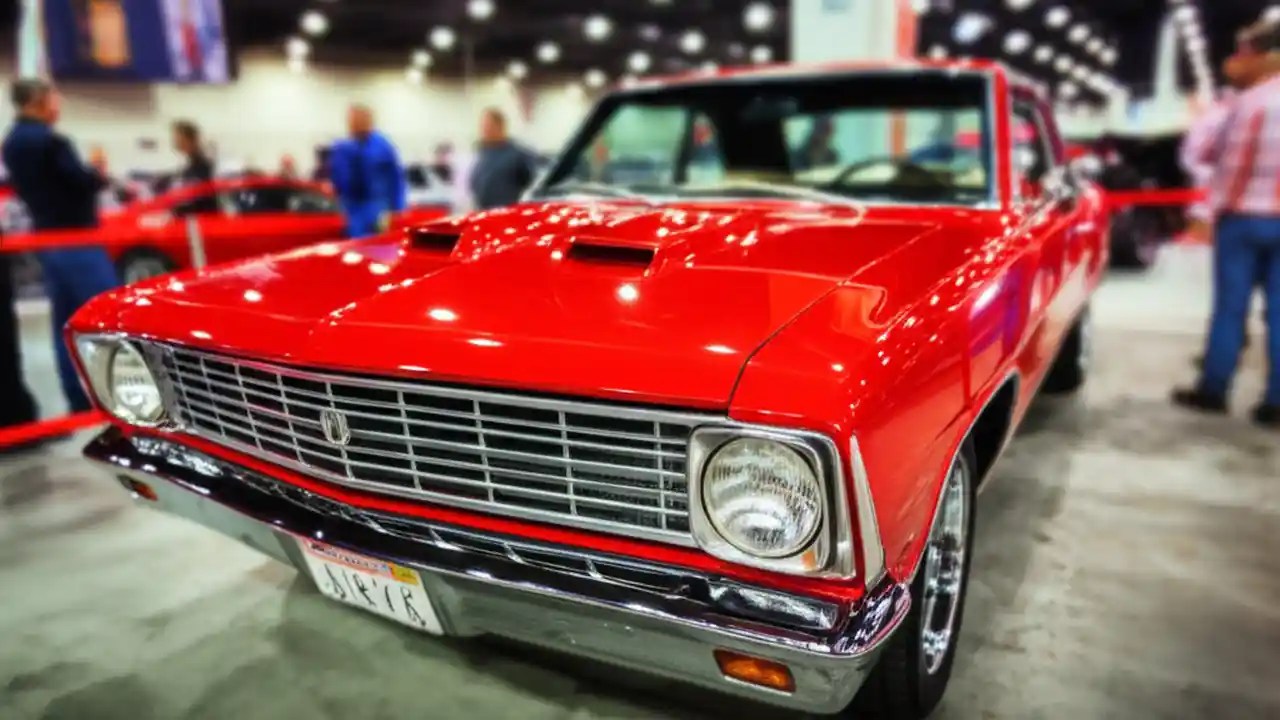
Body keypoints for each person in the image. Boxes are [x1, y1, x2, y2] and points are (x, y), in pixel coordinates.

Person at [1173, 17, 1280, 428]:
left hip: (1240, 220)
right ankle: (1274, 403)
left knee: (1229, 310)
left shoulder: (1241, 103)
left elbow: (1198, 153)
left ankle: (1214, 390)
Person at [2, 79, 118, 413]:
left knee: (64, 325)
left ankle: (77, 401)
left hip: (47, 241)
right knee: (110, 318)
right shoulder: (52, 142)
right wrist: (97, 173)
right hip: (78, 241)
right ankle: (123, 404)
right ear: (39, 101)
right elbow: (80, 182)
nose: (58, 105)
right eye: (54, 99)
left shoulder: (11, 142)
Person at [329, 104, 406, 238]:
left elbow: (396, 179)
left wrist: (397, 208)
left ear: (369, 121)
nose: (354, 123)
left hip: (378, 208)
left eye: (360, 119)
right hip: (351, 209)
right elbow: (337, 179)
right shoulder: (342, 148)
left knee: (379, 248)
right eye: (352, 119)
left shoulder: (383, 147)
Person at [469, 108, 537, 210]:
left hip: (506, 213)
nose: (484, 130)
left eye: (488, 126)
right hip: (483, 211)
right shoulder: (483, 152)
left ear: (500, 126)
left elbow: (529, 181)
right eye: (483, 126)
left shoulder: (517, 154)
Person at [172, 119, 214, 185]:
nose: (177, 144)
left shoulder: (203, 164)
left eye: (181, 141)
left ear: (193, 140)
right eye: (176, 141)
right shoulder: (189, 162)